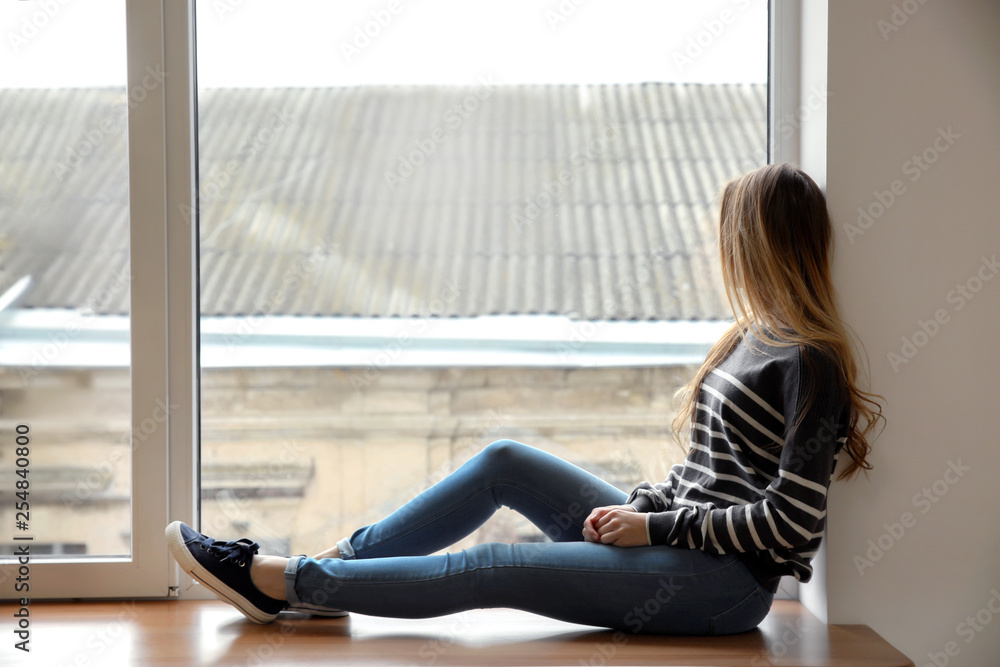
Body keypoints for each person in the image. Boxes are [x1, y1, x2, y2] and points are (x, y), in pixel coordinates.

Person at [165, 163, 884, 636]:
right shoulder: (742, 338)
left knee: (493, 566)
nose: (718, 252)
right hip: (676, 543)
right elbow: (705, 474)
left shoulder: (807, 362)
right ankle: (331, 571)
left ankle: (282, 579)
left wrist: (657, 531)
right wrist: (643, 506)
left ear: (756, 244)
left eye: (729, 236)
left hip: (724, 586)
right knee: (505, 459)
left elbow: (793, 525)